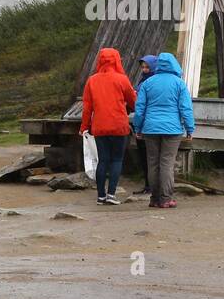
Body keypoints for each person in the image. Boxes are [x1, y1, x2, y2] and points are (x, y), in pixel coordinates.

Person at [131, 52, 195, 209]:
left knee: (153, 162)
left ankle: (154, 198)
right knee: (166, 163)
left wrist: (138, 127)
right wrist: (189, 128)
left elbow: (139, 109)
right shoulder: (179, 84)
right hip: (172, 129)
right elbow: (185, 108)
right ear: (174, 65)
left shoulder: (147, 83)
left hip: (150, 128)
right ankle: (166, 199)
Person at [79, 47, 136, 205]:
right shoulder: (121, 79)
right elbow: (133, 101)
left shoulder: (92, 80)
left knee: (102, 160)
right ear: (116, 60)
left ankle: (100, 196)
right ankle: (111, 194)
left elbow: (87, 107)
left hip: (99, 126)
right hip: (118, 125)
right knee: (117, 160)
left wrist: (84, 126)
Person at [134, 55, 158, 195]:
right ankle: (150, 185)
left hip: (147, 124)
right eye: (143, 67)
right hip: (149, 124)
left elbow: (140, 106)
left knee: (149, 157)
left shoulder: (147, 83)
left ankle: (151, 186)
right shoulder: (144, 81)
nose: (144, 69)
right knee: (147, 157)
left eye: (147, 67)